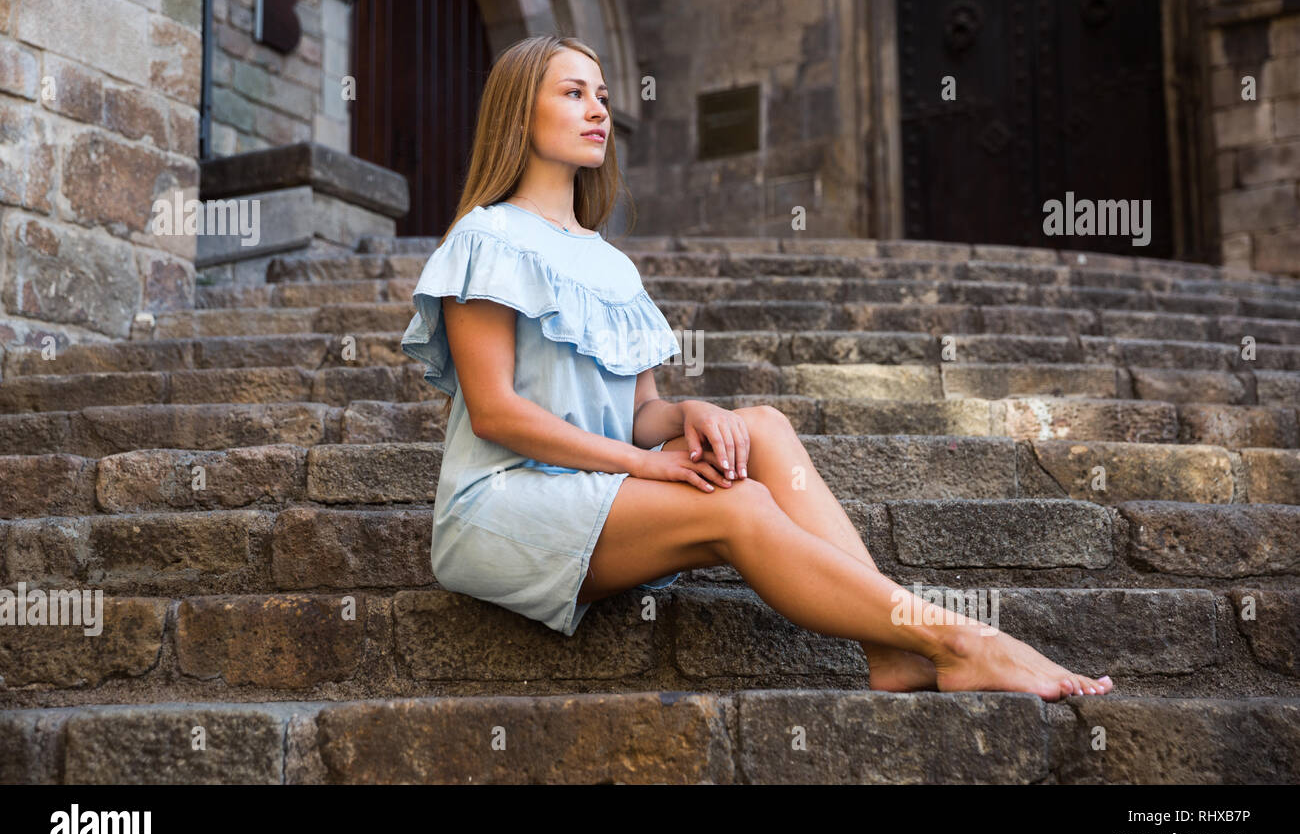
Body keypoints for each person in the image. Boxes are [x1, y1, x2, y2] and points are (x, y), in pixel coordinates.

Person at [402, 35, 1114, 700]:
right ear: (517, 111)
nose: (598, 111)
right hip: (500, 509)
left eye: (605, 97)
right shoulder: (488, 236)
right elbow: (494, 411)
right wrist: (644, 466)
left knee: (763, 426)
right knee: (736, 502)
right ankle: (957, 638)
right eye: (572, 93)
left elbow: (642, 412)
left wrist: (688, 416)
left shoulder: (611, 264)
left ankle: (891, 652)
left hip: (599, 493)